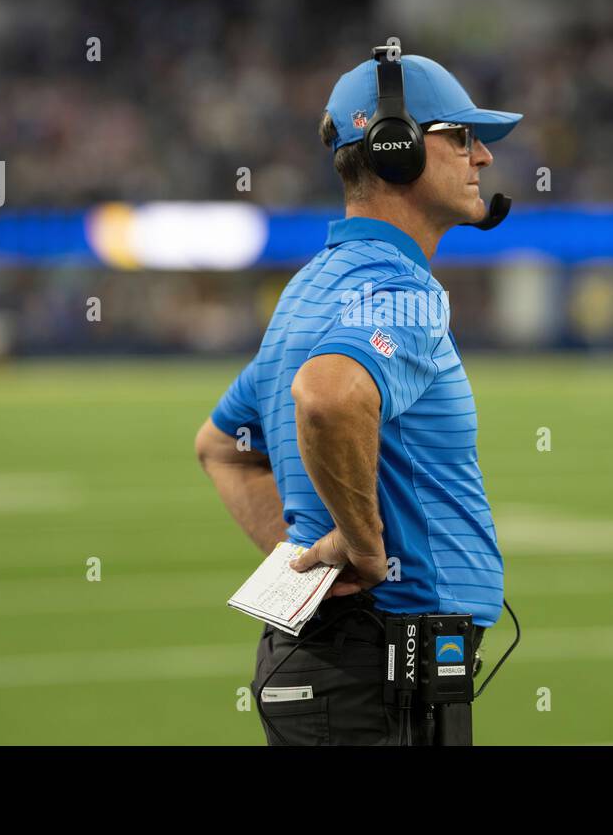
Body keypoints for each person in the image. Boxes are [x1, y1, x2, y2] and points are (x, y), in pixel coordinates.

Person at [195, 45, 522, 745]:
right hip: (377, 673)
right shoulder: (398, 290)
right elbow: (328, 395)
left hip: (340, 669)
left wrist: (302, 559)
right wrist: (364, 550)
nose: (482, 158)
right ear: (396, 148)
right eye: (462, 138)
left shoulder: (315, 288)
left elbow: (223, 446)